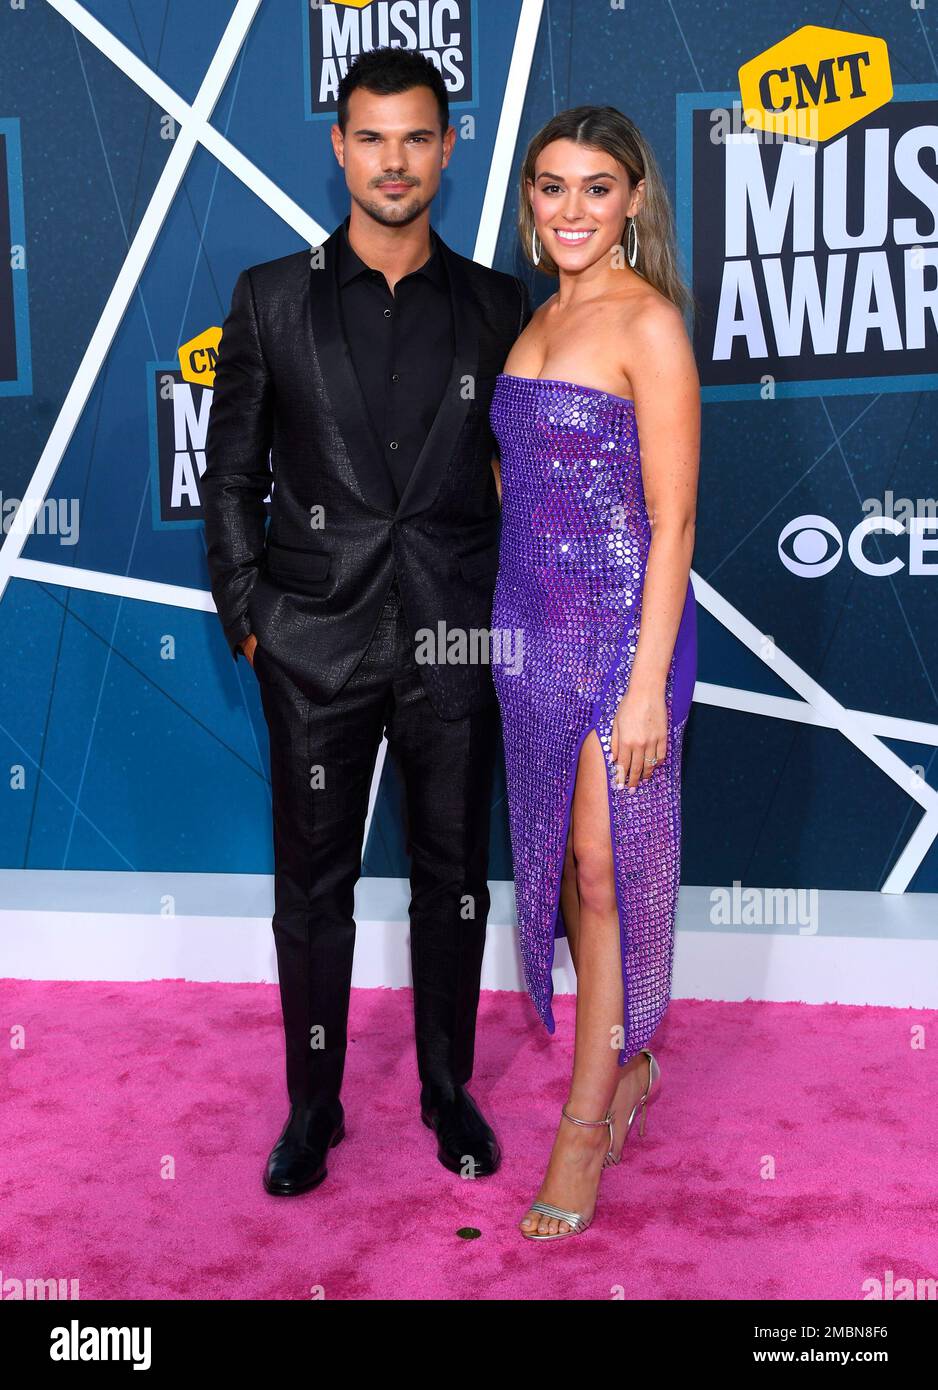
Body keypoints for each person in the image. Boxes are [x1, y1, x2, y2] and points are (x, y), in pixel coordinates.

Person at [202, 47, 530, 1196]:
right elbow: (229, 478)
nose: (393, 161)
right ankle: (313, 1106)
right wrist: (253, 620)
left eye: (415, 137)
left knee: (451, 876)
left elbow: (524, 475)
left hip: (454, 640)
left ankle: (447, 1092)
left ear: (446, 148)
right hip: (314, 642)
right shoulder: (268, 298)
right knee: (314, 889)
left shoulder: (497, 302)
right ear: (340, 148)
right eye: (371, 137)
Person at [490, 106, 699, 1239]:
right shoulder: (535, 321)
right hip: (527, 632)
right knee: (564, 873)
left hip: (622, 631)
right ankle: (620, 1068)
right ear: (531, 200)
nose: (571, 208)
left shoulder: (646, 324)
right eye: (550, 186)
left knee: (602, 866)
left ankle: (584, 1121)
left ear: (631, 202)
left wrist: (640, 684)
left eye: (595, 187)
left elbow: (669, 522)